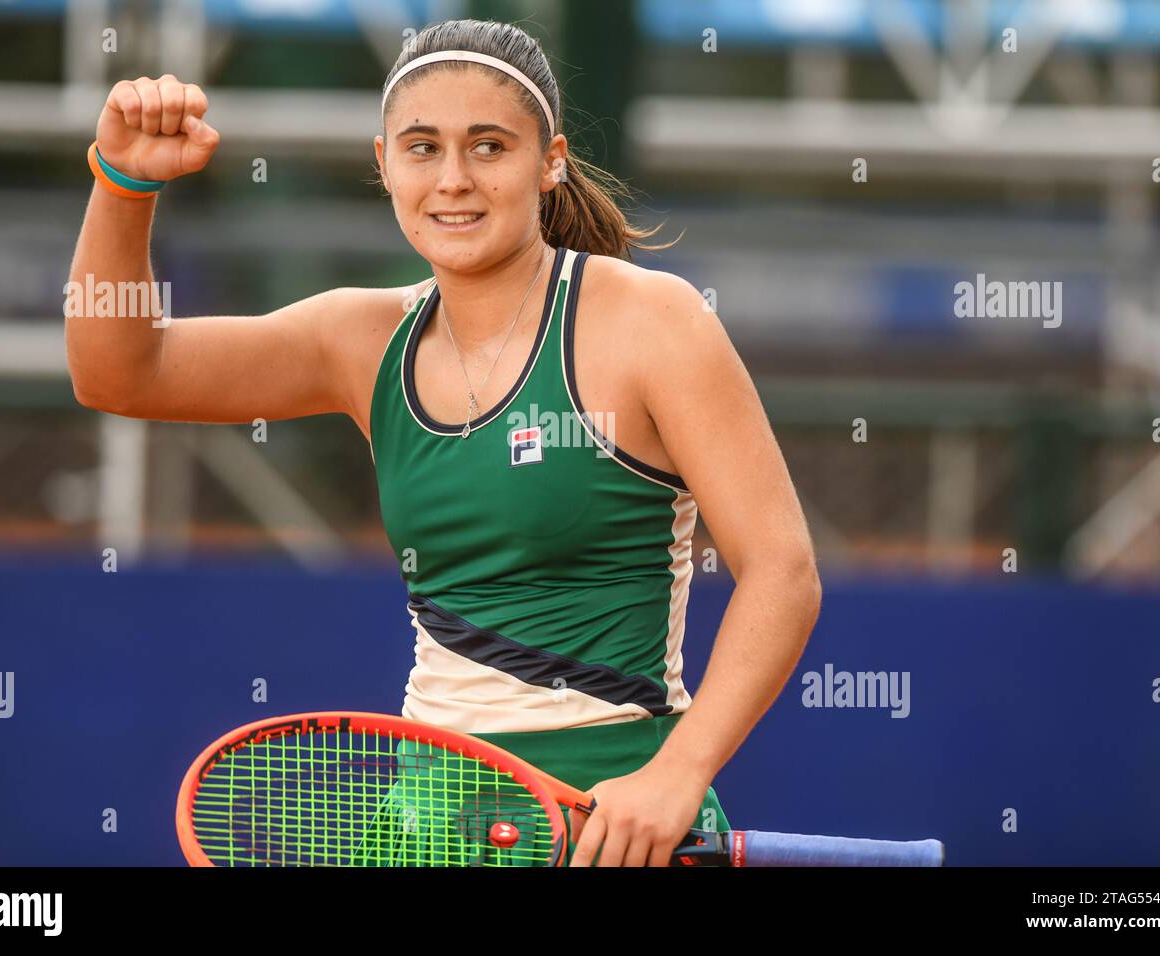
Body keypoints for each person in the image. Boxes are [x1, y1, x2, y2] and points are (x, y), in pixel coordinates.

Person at [65, 17, 821, 867]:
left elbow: (782, 570)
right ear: (384, 162)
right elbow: (122, 371)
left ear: (551, 160)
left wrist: (678, 775)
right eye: (422, 148)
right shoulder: (360, 338)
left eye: (489, 147)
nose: (453, 180)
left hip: (615, 824)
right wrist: (122, 184)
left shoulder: (654, 321)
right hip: (422, 827)